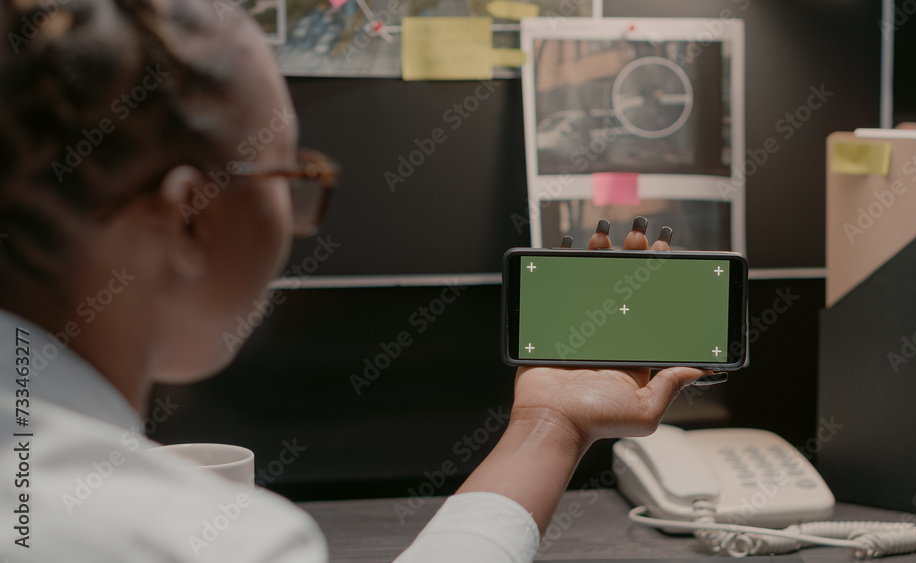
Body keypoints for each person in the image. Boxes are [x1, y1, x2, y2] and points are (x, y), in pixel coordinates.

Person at [0, 0, 709, 560]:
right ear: (188, 218)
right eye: (292, 175)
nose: (300, 220)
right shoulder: (195, 540)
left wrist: (550, 423)